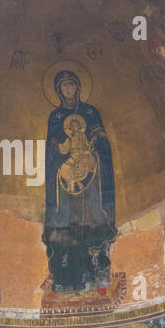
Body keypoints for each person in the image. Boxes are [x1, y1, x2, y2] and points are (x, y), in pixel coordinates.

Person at [43, 71, 116, 293]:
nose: (68, 90)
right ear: (58, 90)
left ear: (78, 87)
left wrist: (97, 142)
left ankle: (98, 270)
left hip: (90, 172)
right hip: (65, 177)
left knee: (92, 211)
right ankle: (66, 275)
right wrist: (61, 158)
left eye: (71, 85)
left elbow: (101, 139)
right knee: (66, 219)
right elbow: (52, 149)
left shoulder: (90, 112)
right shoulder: (55, 118)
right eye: (63, 86)